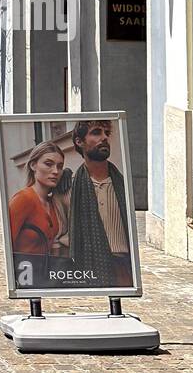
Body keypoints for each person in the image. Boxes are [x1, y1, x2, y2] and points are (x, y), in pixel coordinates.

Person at [68, 119, 133, 289]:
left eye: (106, 133)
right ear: (79, 141)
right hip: (91, 269)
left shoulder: (122, 184)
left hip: (126, 266)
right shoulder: (72, 188)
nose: (104, 138)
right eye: (96, 132)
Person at [8, 141, 71, 279]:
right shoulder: (23, 199)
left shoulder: (54, 203)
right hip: (23, 276)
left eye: (60, 167)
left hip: (45, 276)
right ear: (33, 165)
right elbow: (6, 245)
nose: (55, 171)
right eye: (48, 164)